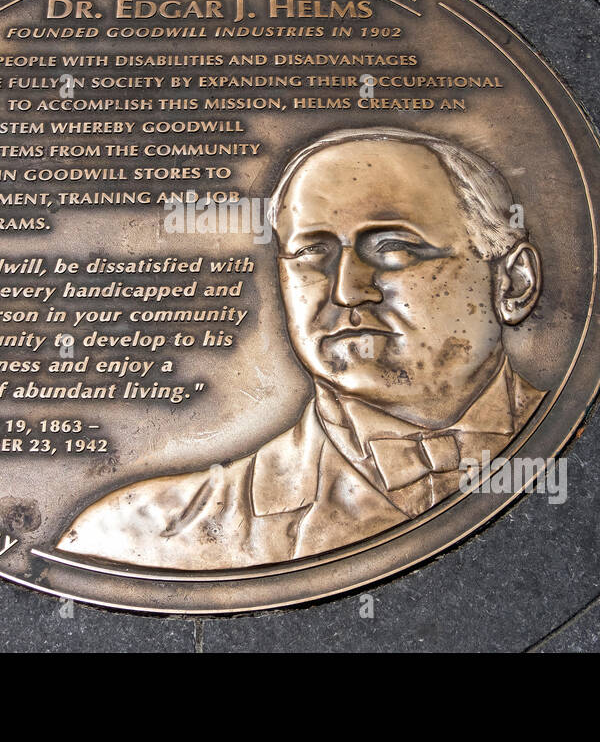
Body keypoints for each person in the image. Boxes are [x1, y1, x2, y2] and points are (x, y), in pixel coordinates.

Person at [56, 127, 547, 569]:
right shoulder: (135, 538)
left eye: (396, 249)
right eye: (313, 254)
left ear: (513, 283)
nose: (347, 291)